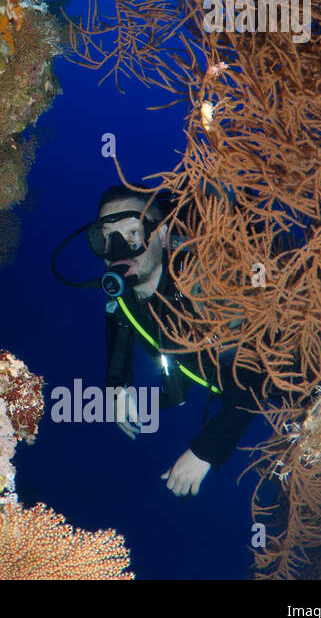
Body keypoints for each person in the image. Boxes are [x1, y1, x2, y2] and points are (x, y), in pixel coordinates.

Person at [92, 185, 267, 497]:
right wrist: (115, 387)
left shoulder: (205, 281)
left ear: (161, 235)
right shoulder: (126, 294)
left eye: (133, 233)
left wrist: (205, 452)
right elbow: (120, 323)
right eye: (108, 237)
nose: (119, 249)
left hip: (305, 369)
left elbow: (255, 378)